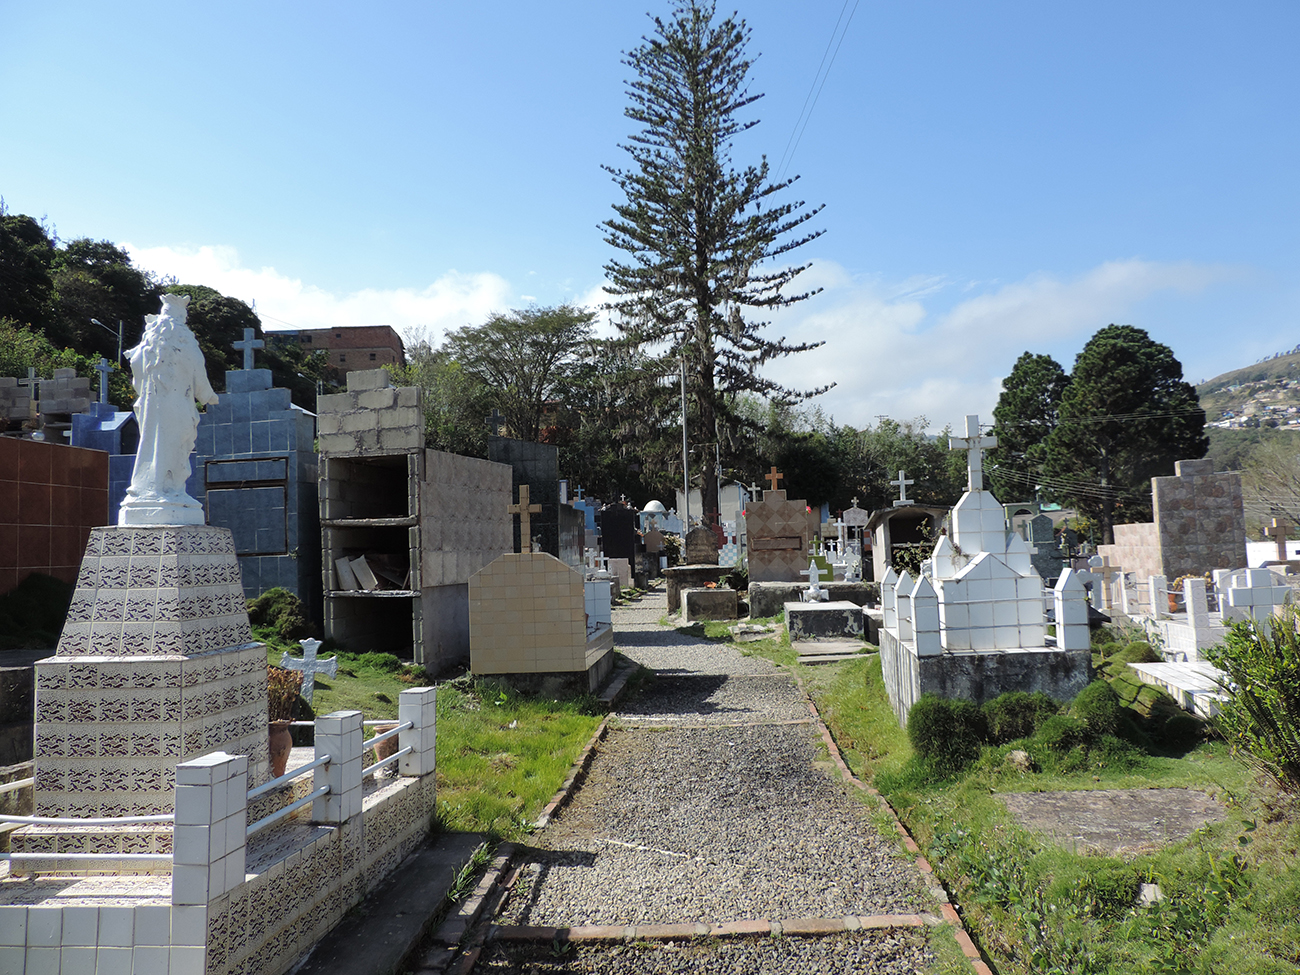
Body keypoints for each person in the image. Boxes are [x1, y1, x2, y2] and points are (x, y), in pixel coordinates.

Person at [119, 293, 219, 525]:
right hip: (177, 405)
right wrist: (208, 396)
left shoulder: (148, 344)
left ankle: (150, 489)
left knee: (152, 444)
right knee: (176, 444)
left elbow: (137, 375)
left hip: (152, 405)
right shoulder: (185, 342)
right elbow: (199, 374)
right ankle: (168, 489)